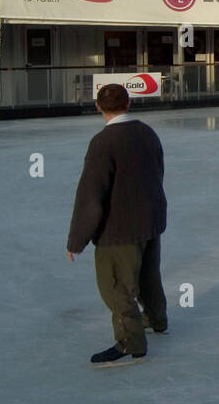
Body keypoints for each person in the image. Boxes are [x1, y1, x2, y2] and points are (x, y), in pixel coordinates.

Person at [66, 84, 168, 368]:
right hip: (151, 220)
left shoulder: (103, 142)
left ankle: (131, 343)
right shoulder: (147, 132)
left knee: (116, 287)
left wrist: (77, 240)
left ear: (98, 106)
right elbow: (158, 171)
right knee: (148, 276)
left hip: (119, 230)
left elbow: (90, 194)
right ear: (129, 104)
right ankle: (157, 320)